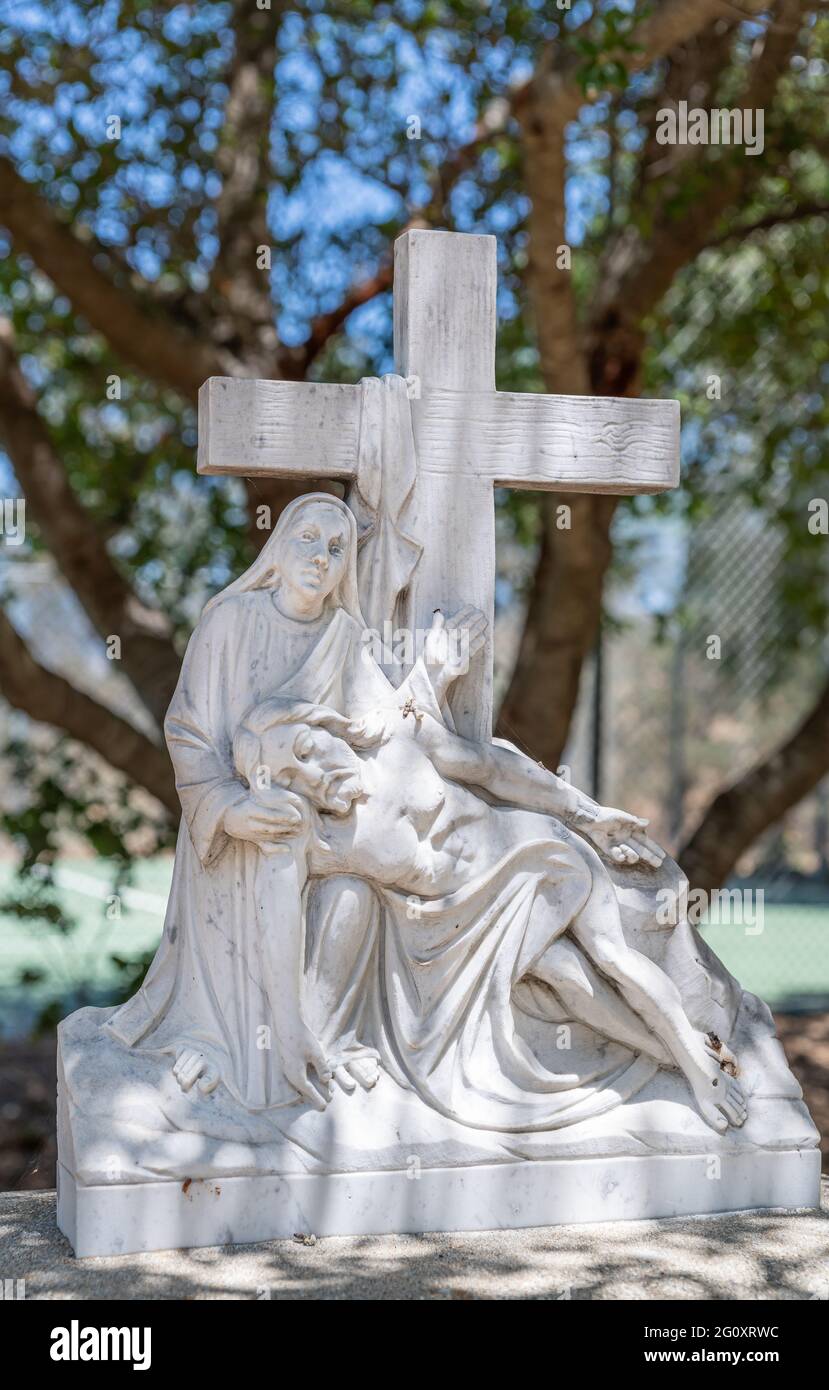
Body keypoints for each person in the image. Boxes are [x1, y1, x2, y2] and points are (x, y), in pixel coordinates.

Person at [105, 493, 480, 1110]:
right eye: (307, 539)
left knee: (354, 894)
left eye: (337, 549)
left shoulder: (345, 635)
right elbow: (188, 732)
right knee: (265, 857)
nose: (321, 558)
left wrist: (432, 676)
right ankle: (217, 1039)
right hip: (233, 833)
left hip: (305, 833)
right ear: (277, 550)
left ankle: (316, 1047)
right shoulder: (229, 622)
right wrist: (228, 807)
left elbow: (381, 728)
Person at [233, 695, 746, 1135]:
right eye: (287, 779)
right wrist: (287, 1023)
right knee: (562, 974)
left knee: (610, 954)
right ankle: (670, 1053)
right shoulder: (313, 838)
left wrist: (588, 815)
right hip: (468, 917)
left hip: (535, 856)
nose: (313, 776)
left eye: (306, 751)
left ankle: (695, 1065)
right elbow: (278, 911)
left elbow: (494, 769)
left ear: (327, 726)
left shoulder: (398, 738)